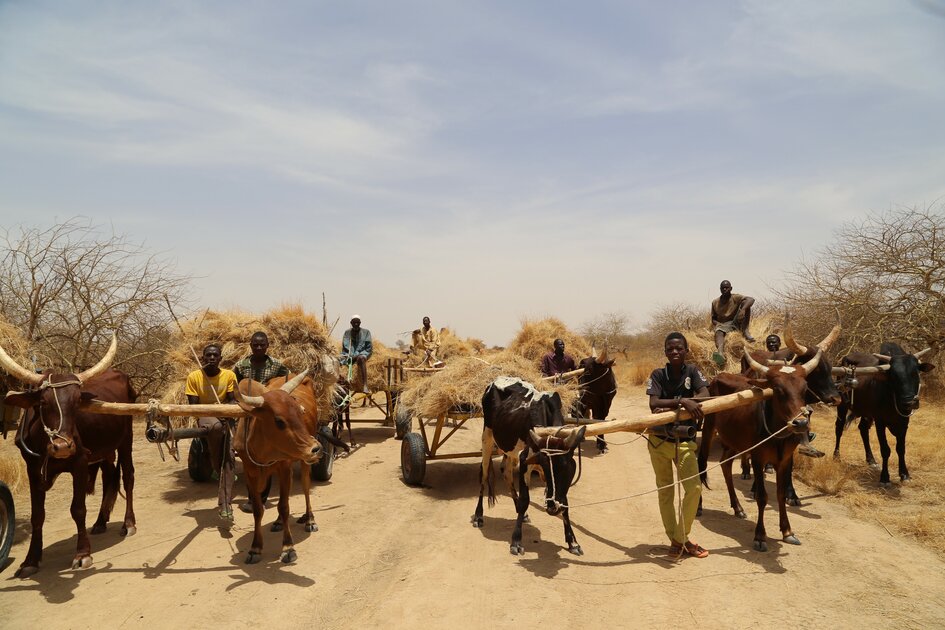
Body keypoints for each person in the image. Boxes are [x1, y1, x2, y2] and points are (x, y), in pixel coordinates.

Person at [645, 332, 710, 559]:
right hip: (659, 441)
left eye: (679, 348)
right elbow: (653, 402)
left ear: (686, 350)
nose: (674, 352)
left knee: (693, 489)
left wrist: (671, 407)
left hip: (684, 443)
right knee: (666, 492)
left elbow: (705, 394)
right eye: (670, 348)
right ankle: (678, 541)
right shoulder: (657, 374)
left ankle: (680, 538)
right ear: (665, 351)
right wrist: (683, 401)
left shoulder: (693, 372)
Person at [233, 331, 290, 514]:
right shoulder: (241, 365)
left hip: (266, 412)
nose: (258, 347)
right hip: (246, 409)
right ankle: (252, 496)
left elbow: (288, 382)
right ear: (250, 345)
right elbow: (232, 385)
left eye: (261, 344)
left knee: (266, 455)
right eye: (255, 345)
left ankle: (260, 499)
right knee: (245, 450)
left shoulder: (277, 365)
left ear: (267, 346)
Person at [185, 344, 238, 521]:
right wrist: (212, 410)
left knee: (229, 455)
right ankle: (216, 465)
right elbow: (193, 406)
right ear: (203, 358)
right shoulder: (194, 377)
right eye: (208, 356)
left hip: (225, 415)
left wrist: (223, 409)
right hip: (205, 416)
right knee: (215, 429)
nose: (212, 358)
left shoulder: (229, 375)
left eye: (215, 355)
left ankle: (225, 505)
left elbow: (232, 400)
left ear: (220, 358)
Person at [711, 280, 756, 365]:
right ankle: (720, 353)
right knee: (719, 331)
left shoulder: (735, 297)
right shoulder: (715, 302)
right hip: (725, 324)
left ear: (731, 288)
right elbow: (713, 319)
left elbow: (751, 299)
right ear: (720, 289)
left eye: (727, 288)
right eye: (723, 288)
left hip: (737, 320)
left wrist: (743, 310)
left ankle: (745, 331)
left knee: (746, 304)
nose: (725, 289)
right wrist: (718, 324)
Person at [340, 315, 373, 394]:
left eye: (357, 322)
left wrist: (358, 354)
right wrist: (350, 355)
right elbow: (346, 346)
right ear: (351, 323)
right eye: (354, 322)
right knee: (337, 360)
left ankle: (365, 385)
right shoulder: (347, 332)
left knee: (361, 358)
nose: (356, 324)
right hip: (349, 355)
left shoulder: (366, 332)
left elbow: (368, 348)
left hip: (362, 354)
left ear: (360, 323)